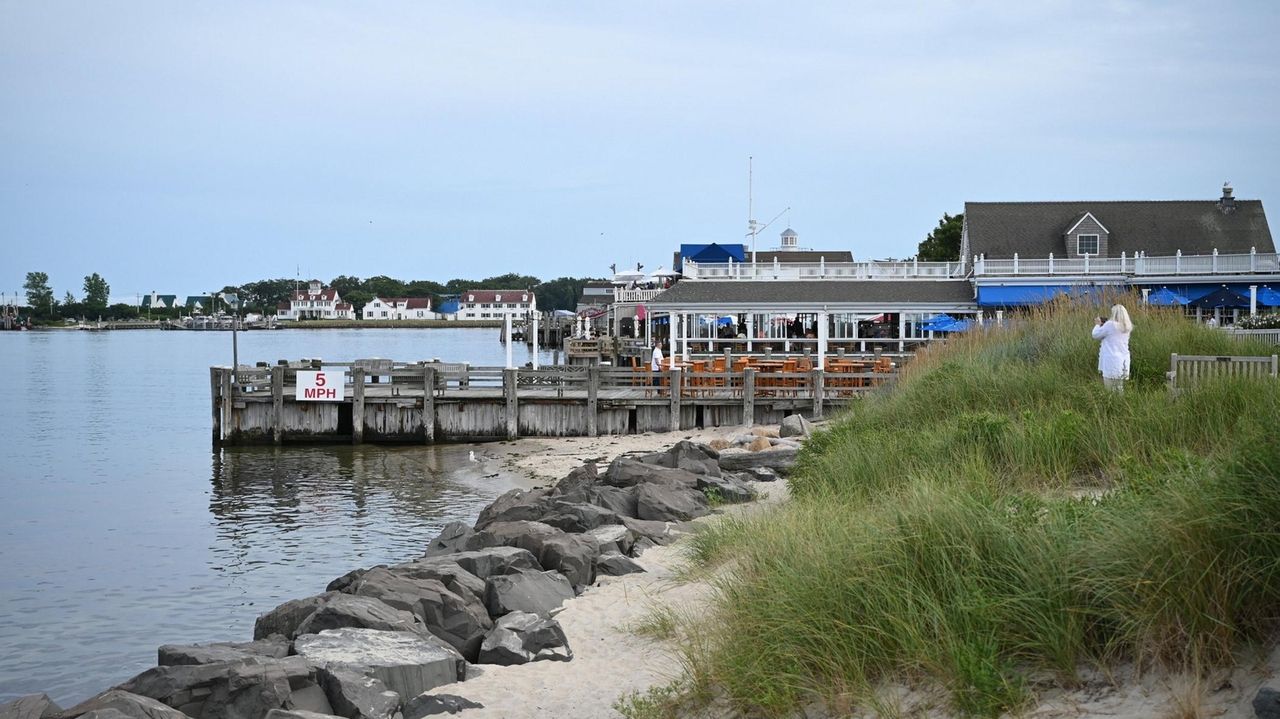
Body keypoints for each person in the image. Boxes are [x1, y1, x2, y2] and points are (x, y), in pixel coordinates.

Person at [1091, 304, 1133, 392]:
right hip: (1123, 360)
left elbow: (1095, 335)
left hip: (1111, 360)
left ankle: (1112, 405)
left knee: (1109, 389)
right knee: (1119, 388)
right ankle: (1120, 404)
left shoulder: (1110, 325)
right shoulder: (1127, 326)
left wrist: (1098, 324)